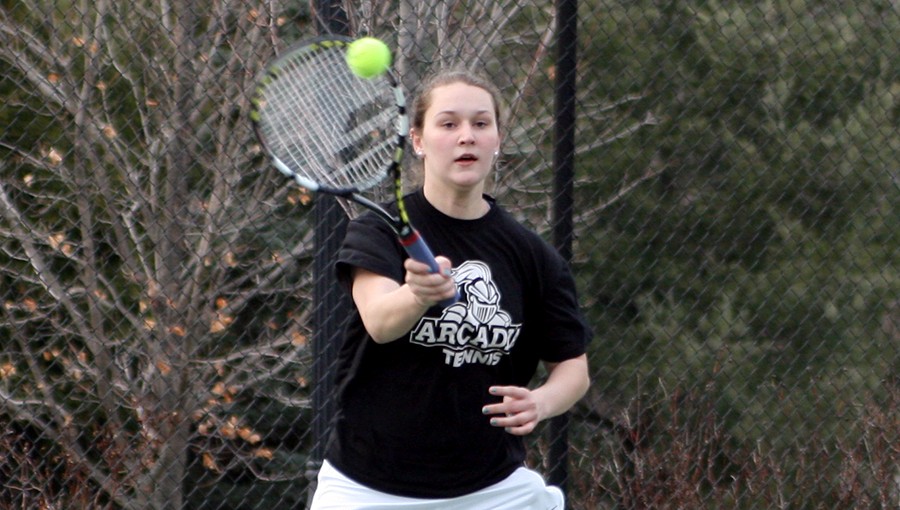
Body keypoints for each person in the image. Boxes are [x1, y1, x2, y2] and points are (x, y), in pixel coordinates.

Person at [310, 67, 592, 510]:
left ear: (497, 139)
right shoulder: (377, 231)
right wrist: (417, 295)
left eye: (481, 123)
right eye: (448, 123)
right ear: (418, 141)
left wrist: (540, 401)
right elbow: (381, 322)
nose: (467, 136)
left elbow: (573, 366)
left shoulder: (532, 256)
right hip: (368, 486)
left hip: (491, 489)